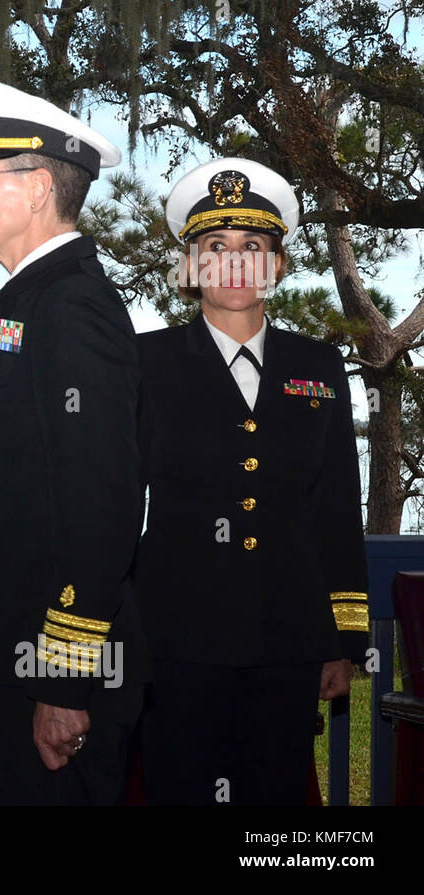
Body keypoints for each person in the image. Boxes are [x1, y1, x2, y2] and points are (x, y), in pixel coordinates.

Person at [0, 73, 149, 805]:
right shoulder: (30, 297)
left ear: (39, 189)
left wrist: (64, 680)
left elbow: (102, 507)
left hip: (45, 673)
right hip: (7, 661)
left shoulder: (74, 308)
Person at [136, 157, 369, 805]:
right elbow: (114, 503)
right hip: (176, 639)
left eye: (253, 246)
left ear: (277, 264)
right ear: (191, 265)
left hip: (288, 640)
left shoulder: (317, 365)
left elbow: (335, 507)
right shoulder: (145, 363)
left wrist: (343, 638)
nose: (234, 261)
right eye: (216, 246)